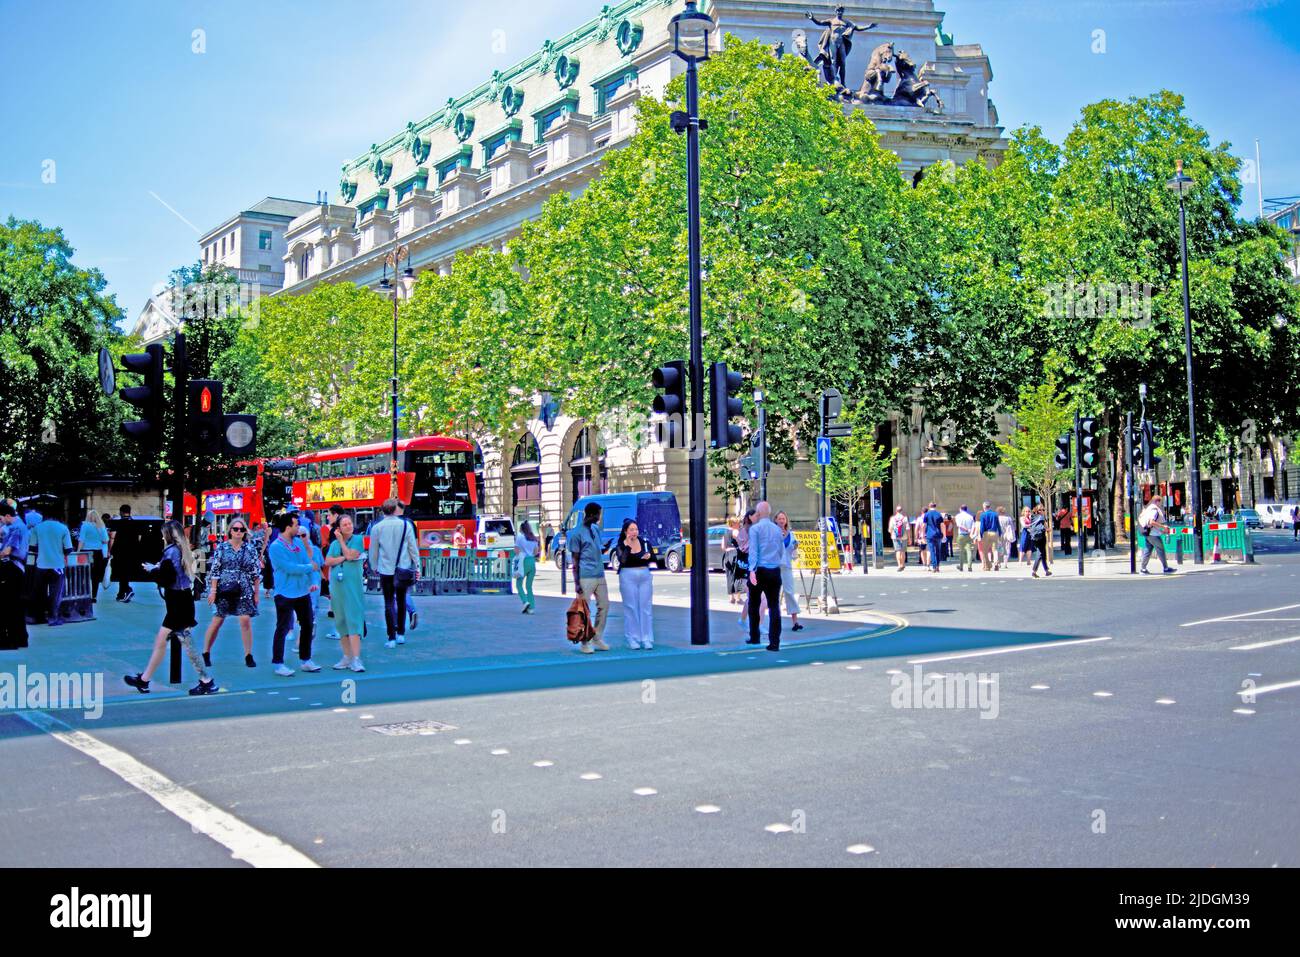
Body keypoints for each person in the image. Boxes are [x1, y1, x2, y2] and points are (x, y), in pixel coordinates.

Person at [124, 521, 218, 696]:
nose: (161, 536)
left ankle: (207, 681)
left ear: (167, 535)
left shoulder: (171, 552)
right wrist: (156, 568)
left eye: (162, 533)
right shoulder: (183, 550)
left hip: (176, 604)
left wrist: (152, 571)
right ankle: (144, 680)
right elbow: (175, 572)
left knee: (186, 644)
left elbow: (166, 578)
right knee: (164, 642)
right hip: (183, 601)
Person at [266, 511, 321, 676]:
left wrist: (313, 581)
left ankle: (306, 660)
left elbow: (306, 561)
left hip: (302, 592)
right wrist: (310, 568)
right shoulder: (276, 547)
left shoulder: (298, 542)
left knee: (308, 624)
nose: (299, 527)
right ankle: (278, 664)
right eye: (296, 524)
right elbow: (290, 567)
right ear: (288, 526)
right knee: (282, 627)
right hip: (284, 593)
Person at [202, 519, 260, 669]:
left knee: (245, 620)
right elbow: (215, 570)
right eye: (235, 529)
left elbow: (255, 572)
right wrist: (213, 591)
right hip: (225, 587)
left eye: (241, 529)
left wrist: (256, 593)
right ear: (230, 530)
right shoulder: (222, 547)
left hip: (244, 586)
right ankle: (206, 652)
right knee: (217, 621)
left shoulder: (250, 548)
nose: (238, 532)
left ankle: (248, 654)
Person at [368, 498, 421, 648]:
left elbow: (374, 550)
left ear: (383, 510)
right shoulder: (406, 525)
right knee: (402, 600)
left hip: (385, 570)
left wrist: (374, 565)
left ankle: (391, 637)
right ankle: (401, 634)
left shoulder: (377, 528)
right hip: (403, 569)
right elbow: (412, 548)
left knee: (388, 603)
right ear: (394, 510)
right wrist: (417, 567)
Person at [325, 515, 367, 672]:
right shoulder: (334, 544)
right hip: (337, 588)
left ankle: (356, 658)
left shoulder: (357, 539)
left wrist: (342, 545)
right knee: (341, 621)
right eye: (345, 524)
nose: (348, 526)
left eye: (350, 523)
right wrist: (343, 557)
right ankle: (347, 656)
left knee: (354, 620)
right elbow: (328, 561)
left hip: (352, 588)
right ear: (339, 528)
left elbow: (352, 555)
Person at [569, 502, 610, 653]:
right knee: (585, 610)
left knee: (604, 606)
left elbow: (597, 548)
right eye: (598, 514)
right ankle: (585, 642)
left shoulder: (595, 529)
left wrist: (606, 547)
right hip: (585, 577)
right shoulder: (577, 534)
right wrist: (576, 583)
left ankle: (597, 637)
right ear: (592, 514)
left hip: (600, 575)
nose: (600, 517)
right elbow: (575, 560)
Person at [746, 502, 785, 651]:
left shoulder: (755, 529)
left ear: (759, 512)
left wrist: (751, 570)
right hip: (774, 570)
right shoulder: (777, 529)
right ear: (769, 512)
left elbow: (754, 551)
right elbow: (780, 551)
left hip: (759, 569)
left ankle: (754, 636)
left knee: (753, 604)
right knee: (774, 606)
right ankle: (774, 642)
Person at [614, 518, 656, 650]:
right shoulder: (621, 545)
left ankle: (647, 638)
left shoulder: (644, 542)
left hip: (644, 574)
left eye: (636, 529)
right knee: (631, 607)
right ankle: (633, 638)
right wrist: (628, 545)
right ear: (626, 531)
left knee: (645, 607)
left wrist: (649, 556)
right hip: (627, 575)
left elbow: (654, 558)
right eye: (631, 530)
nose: (634, 532)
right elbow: (623, 560)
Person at [32, 506, 73, 626]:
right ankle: (53, 618)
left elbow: (33, 548)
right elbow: (69, 549)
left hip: (41, 565)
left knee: (40, 592)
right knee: (56, 592)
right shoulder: (63, 528)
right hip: (57, 565)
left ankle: (39, 617)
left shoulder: (37, 528)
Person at [0, 503, 30, 649]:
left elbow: (7, 551)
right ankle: (20, 638)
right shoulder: (20, 526)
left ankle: (10, 641)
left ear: (7, 515)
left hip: (12, 568)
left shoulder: (16, 528)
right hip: (17, 569)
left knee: (8, 605)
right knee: (17, 606)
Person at [774, 511, 804, 632]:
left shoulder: (791, 534)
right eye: (780, 518)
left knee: (789, 592)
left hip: (786, 566)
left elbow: (793, 553)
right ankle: (774, 621)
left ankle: (795, 621)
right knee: (773, 595)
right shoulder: (772, 533)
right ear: (775, 520)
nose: (782, 521)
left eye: (783, 519)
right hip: (774, 567)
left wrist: (795, 547)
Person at [77, 509, 110, 602]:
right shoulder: (101, 526)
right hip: (97, 553)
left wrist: (78, 551)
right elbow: (105, 540)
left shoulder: (85, 525)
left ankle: (83, 594)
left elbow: (81, 539)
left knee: (83, 574)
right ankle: (94, 596)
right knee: (95, 576)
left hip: (85, 552)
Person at [1138, 498, 1176, 575]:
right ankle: (1165, 568)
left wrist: (1161, 531)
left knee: (1147, 551)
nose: (1161, 504)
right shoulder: (1154, 510)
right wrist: (1163, 527)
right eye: (1160, 502)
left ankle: (1143, 569)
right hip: (1153, 535)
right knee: (1160, 550)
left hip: (1148, 533)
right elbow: (1152, 522)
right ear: (1157, 501)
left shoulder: (1148, 509)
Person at [110, 503, 136, 603]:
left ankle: (125, 591)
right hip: (131, 552)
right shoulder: (134, 523)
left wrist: (111, 550)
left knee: (121, 573)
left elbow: (114, 538)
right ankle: (122, 592)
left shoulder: (119, 523)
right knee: (125, 573)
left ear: (121, 512)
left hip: (120, 552)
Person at [514, 520, 540, 614]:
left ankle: (525, 602)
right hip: (532, 561)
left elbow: (516, 550)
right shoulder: (533, 538)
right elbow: (536, 552)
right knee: (529, 586)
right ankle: (531, 608)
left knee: (518, 584)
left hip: (523, 561)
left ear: (521, 529)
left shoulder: (520, 537)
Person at [1028, 504, 1052, 578]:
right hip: (1041, 538)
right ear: (1037, 511)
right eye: (1040, 510)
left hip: (1034, 538)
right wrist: (1048, 529)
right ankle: (1034, 571)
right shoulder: (1042, 518)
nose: (1042, 511)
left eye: (1043, 510)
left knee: (1043, 553)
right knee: (1040, 554)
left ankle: (1046, 570)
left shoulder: (1033, 517)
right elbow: (1046, 528)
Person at [722, 517, 741, 603]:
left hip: (727, 555)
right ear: (733, 524)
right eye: (737, 523)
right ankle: (738, 598)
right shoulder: (735, 531)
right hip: (735, 554)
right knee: (737, 576)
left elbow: (723, 547)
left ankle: (731, 598)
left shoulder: (725, 533)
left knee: (729, 576)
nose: (739, 524)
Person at [977, 502, 1001, 571]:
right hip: (994, 533)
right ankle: (996, 563)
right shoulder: (995, 514)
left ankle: (988, 565)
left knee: (985, 551)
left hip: (986, 533)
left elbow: (982, 526)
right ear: (989, 506)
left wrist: (981, 535)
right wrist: (1000, 533)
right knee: (995, 550)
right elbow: (998, 525)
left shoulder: (983, 515)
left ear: (984, 507)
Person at [922, 502, 944, 573]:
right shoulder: (939, 514)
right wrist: (944, 535)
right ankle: (937, 566)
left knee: (932, 551)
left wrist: (923, 535)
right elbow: (942, 525)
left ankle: (934, 567)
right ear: (935, 506)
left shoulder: (926, 514)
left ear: (929, 506)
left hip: (929, 535)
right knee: (938, 550)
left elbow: (924, 525)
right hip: (938, 534)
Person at [954, 505, 976, 572]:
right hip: (968, 535)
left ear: (960, 509)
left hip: (961, 535)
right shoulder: (970, 516)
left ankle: (961, 567)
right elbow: (973, 527)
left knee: (961, 551)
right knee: (969, 550)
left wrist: (966, 530)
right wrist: (971, 533)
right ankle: (969, 566)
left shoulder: (958, 516)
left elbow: (959, 525)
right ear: (966, 509)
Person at [889, 506, 909, 571]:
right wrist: (910, 537)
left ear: (896, 511)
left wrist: (892, 534)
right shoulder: (905, 518)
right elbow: (908, 528)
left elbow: (890, 529)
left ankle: (899, 565)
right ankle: (903, 564)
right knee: (903, 551)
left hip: (895, 537)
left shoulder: (892, 518)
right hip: (904, 537)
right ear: (902, 511)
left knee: (898, 551)